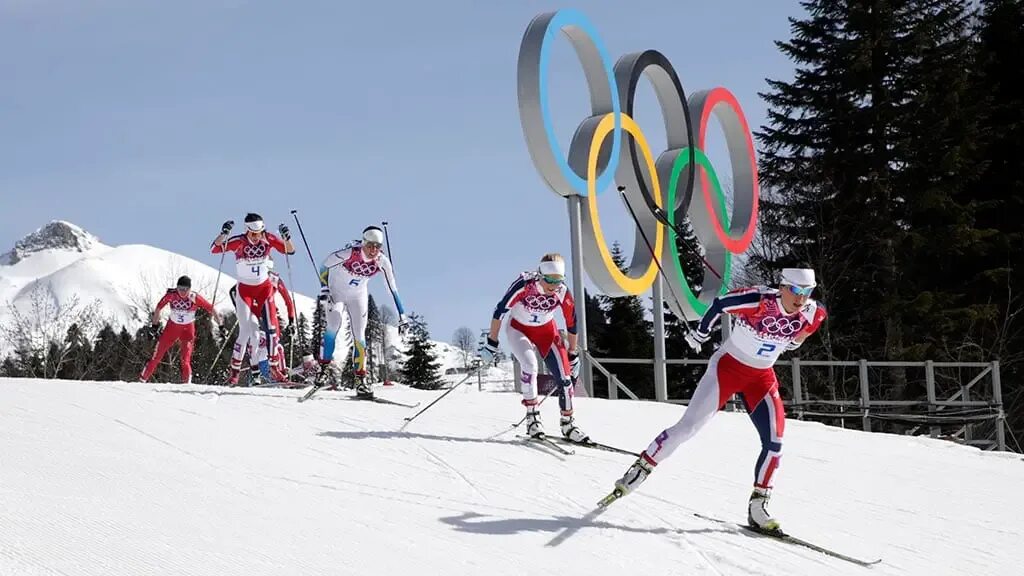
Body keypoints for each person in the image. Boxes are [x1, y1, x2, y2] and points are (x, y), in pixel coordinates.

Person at [607, 267, 828, 535]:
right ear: (782, 286)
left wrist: (796, 340)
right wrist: (701, 332)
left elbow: (810, 326)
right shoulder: (758, 300)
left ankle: (758, 506)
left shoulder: (812, 312)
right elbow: (720, 304)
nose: (801, 298)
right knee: (688, 428)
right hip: (728, 370)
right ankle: (640, 469)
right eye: (795, 290)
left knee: (775, 443)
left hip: (762, 378)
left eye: (807, 292)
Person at [479, 253, 588, 443]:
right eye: (549, 280)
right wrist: (492, 342)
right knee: (530, 366)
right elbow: (500, 311)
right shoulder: (524, 284)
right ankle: (532, 418)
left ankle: (568, 423)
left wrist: (573, 352)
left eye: (558, 280)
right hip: (518, 328)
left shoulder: (562, 291)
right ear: (540, 275)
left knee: (566, 377)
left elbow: (572, 322)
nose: (553, 286)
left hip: (546, 331)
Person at [315, 225, 407, 398]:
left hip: (358, 296)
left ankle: (361, 379)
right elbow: (324, 266)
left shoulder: (382, 261)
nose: (373, 250)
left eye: (377, 246)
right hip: (337, 293)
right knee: (333, 327)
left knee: (360, 335)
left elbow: (392, 288)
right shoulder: (349, 253)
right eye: (370, 245)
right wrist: (324, 288)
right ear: (363, 243)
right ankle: (324, 369)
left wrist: (402, 316)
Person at [211, 213, 295, 378]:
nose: (257, 237)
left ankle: (274, 367)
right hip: (245, 291)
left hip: (264, 290)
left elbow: (290, 250)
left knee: (271, 330)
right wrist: (224, 233)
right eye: (253, 233)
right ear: (247, 230)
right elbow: (214, 249)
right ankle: (234, 372)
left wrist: (287, 237)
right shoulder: (238, 242)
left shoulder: (268, 238)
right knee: (246, 332)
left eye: (260, 232)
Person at [227, 259, 296, 386]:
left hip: (269, 312)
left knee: (274, 341)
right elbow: (233, 291)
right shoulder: (250, 277)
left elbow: (288, 300)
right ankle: (255, 374)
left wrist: (291, 320)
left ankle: (276, 371)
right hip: (254, 311)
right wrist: (240, 309)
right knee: (254, 338)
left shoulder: (274, 279)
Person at [140, 275, 220, 384]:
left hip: (187, 331)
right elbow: (159, 307)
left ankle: (187, 385)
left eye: (185, 289)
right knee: (156, 356)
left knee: (185, 360)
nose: (182, 292)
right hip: (171, 329)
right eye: (180, 289)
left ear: (190, 289)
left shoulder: (194, 297)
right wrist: (154, 326)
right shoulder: (171, 295)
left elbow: (211, 308)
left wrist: (221, 325)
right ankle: (142, 380)